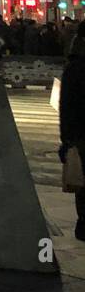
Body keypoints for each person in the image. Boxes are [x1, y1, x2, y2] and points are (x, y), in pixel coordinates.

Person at [58, 22, 85, 242]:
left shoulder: (74, 68)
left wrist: (66, 141)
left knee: (83, 185)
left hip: (80, 137)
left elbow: (66, 108)